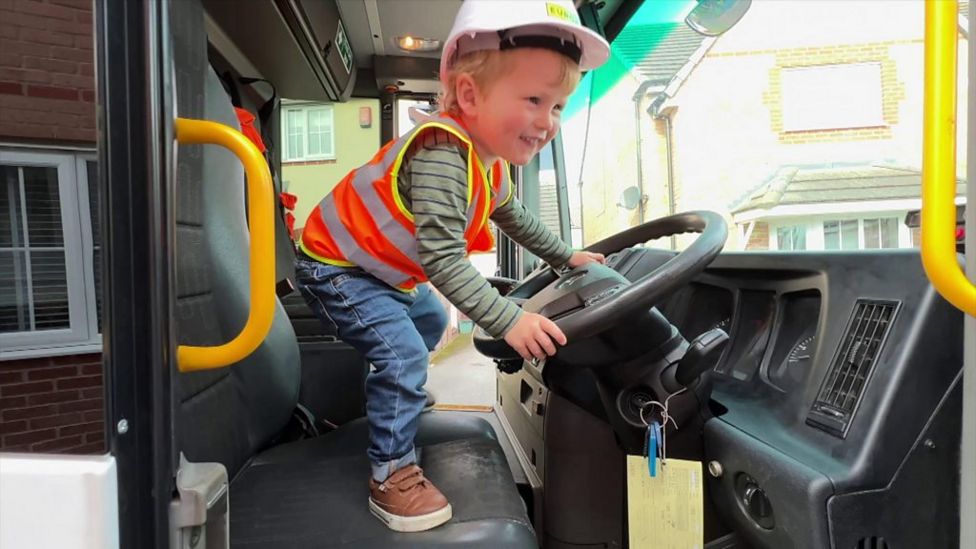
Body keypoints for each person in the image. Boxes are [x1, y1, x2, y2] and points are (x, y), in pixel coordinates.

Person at [294, 0, 610, 533]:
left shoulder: (488, 164)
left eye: (557, 107)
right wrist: (508, 319)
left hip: (378, 272)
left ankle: (400, 401)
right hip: (336, 267)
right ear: (469, 95)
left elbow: (514, 217)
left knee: (429, 324)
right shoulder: (443, 153)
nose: (548, 122)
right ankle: (391, 476)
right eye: (534, 99)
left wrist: (566, 256)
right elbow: (443, 261)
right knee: (402, 357)